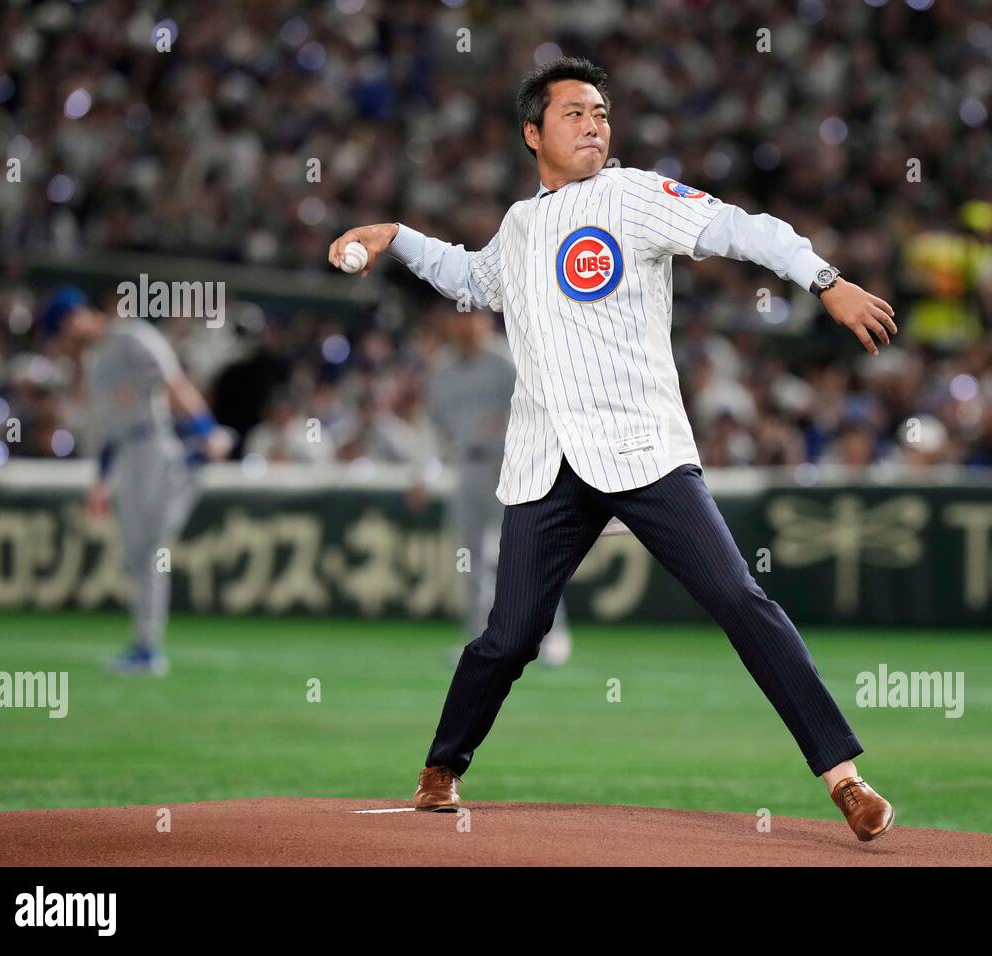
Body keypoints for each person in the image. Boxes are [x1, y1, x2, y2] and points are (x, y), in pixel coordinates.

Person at [328, 58, 899, 842]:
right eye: (574, 114)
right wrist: (395, 236)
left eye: (601, 112)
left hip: (642, 448)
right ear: (533, 133)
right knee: (511, 635)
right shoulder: (522, 226)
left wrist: (822, 277)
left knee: (739, 600)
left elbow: (742, 228)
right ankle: (441, 769)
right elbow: (472, 279)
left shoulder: (632, 196)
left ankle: (844, 778)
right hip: (544, 461)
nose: (595, 123)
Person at [45, 287, 230, 676]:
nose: (62, 341)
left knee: (148, 548)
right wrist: (99, 481)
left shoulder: (132, 336)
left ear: (73, 318)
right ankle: (145, 647)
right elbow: (108, 431)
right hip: (127, 455)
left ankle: (193, 463)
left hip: (153, 443)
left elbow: (173, 383)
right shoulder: (96, 363)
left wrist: (206, 427)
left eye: (61, 330)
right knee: (139, 551)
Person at [421, 306, 573, 666]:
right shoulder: (441, 370)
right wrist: (424, 472)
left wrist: (512, 442)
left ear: (485, 321)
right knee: (471, 560)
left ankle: (554, 634)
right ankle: (478, 638)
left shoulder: (507, 360)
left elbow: (541, 409)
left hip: (513, 468)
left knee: (528, 554)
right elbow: (433, 427)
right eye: (458, 316)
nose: (465, 323)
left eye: (471, 315)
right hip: (468, 468)